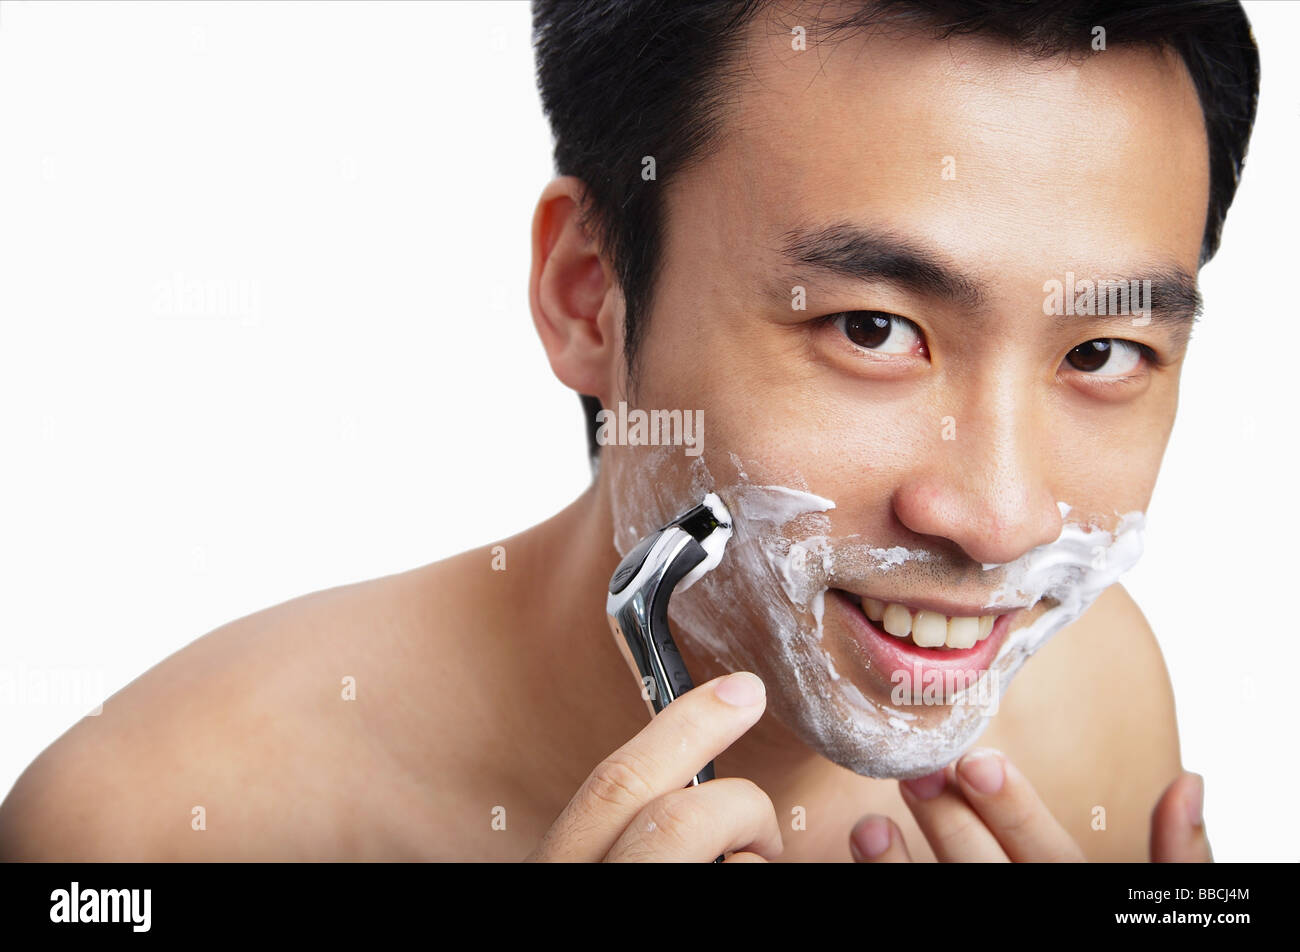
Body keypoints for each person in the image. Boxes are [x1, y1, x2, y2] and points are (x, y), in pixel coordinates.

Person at [0, 0, 1259, 862]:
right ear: (588, 297)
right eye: (873, 330)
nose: (997, 521)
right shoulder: (150, 827)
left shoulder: (1092, 706)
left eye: (1099, 352)